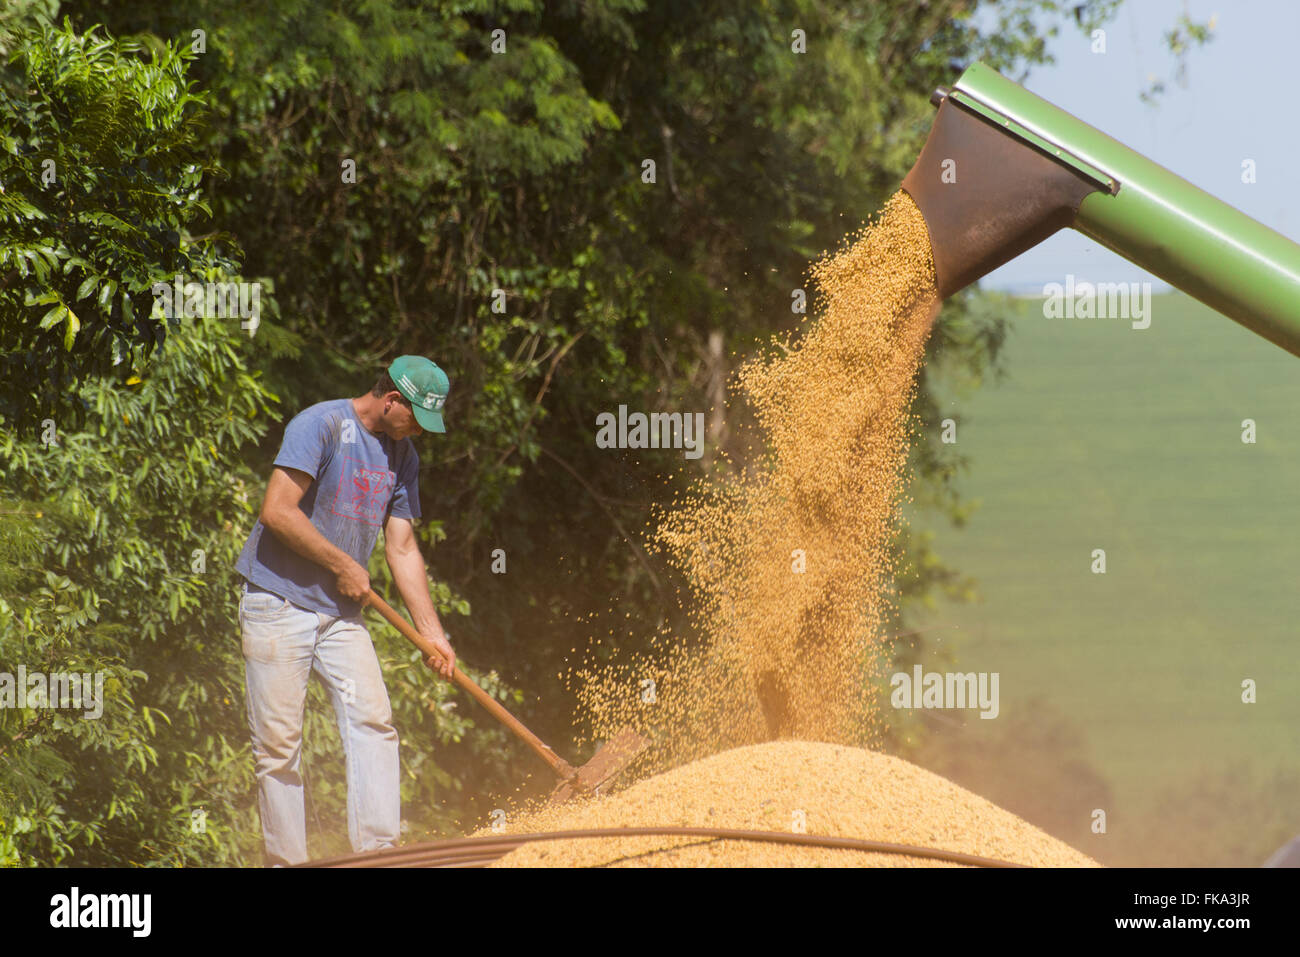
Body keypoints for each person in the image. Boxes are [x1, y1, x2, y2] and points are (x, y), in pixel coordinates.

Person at [234, 355, 456, 866]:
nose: (420, 431)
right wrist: (341, 562)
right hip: (277, 603)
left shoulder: (403, 457)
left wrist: (432, 634)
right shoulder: (322, 424)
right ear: (392, 399)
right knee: (279, 749)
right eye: (417, 418)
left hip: (339, 617)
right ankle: (288, 862)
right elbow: (276, 511)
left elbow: (401, 549)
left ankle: (378, 853)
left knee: (373, 720)